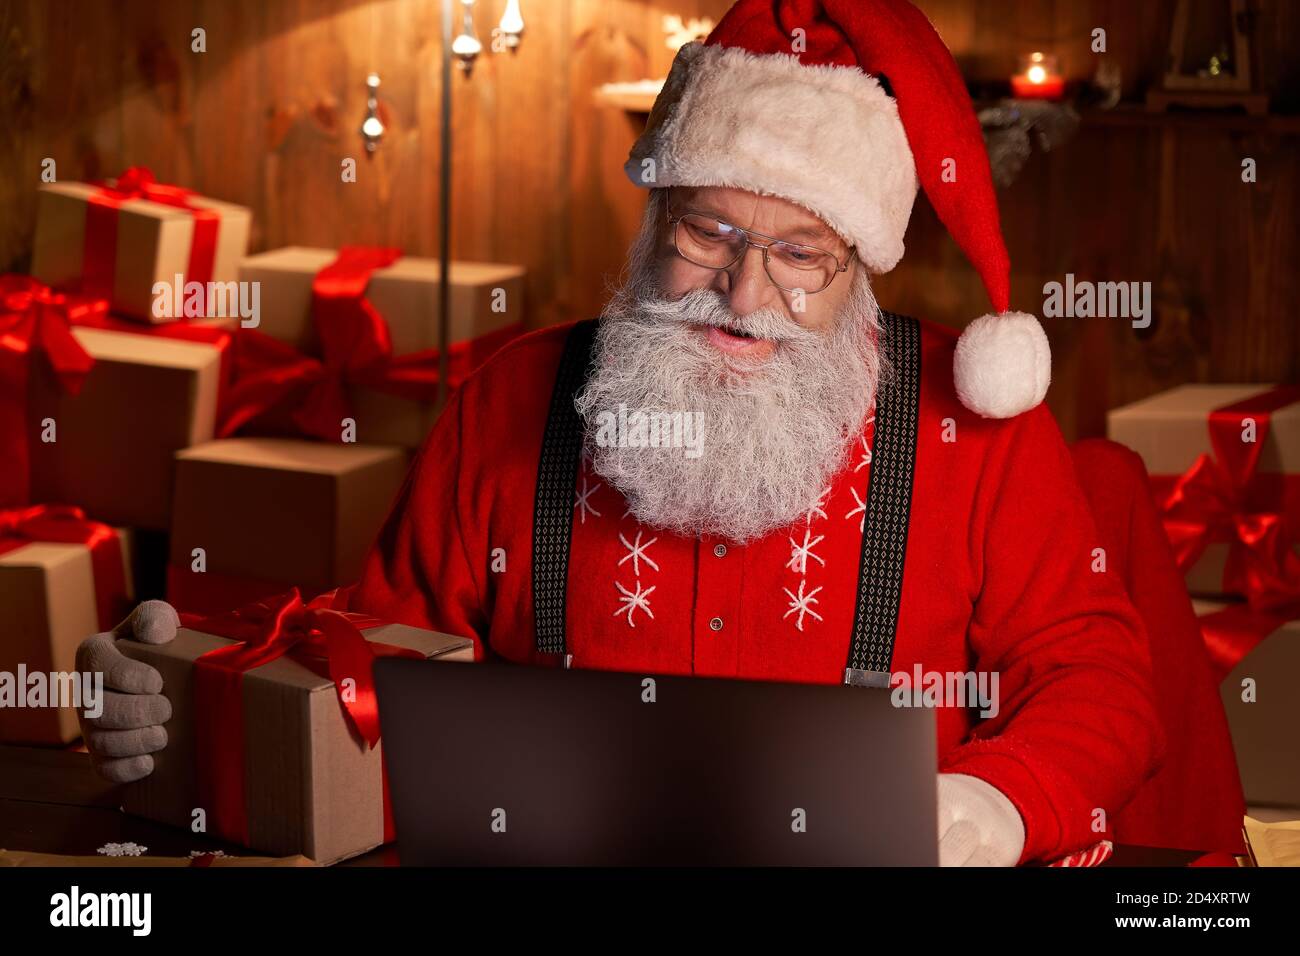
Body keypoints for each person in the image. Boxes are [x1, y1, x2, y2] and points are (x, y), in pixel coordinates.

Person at [76, 0, 1163, 866]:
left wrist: (996, 801)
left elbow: (1102, 678)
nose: (744, 289)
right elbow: (377, 682)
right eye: (708, 228)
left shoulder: (975, 434)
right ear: (654, 217)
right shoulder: (511, 400)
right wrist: (185, 708)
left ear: (859, 265)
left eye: (800, 253)